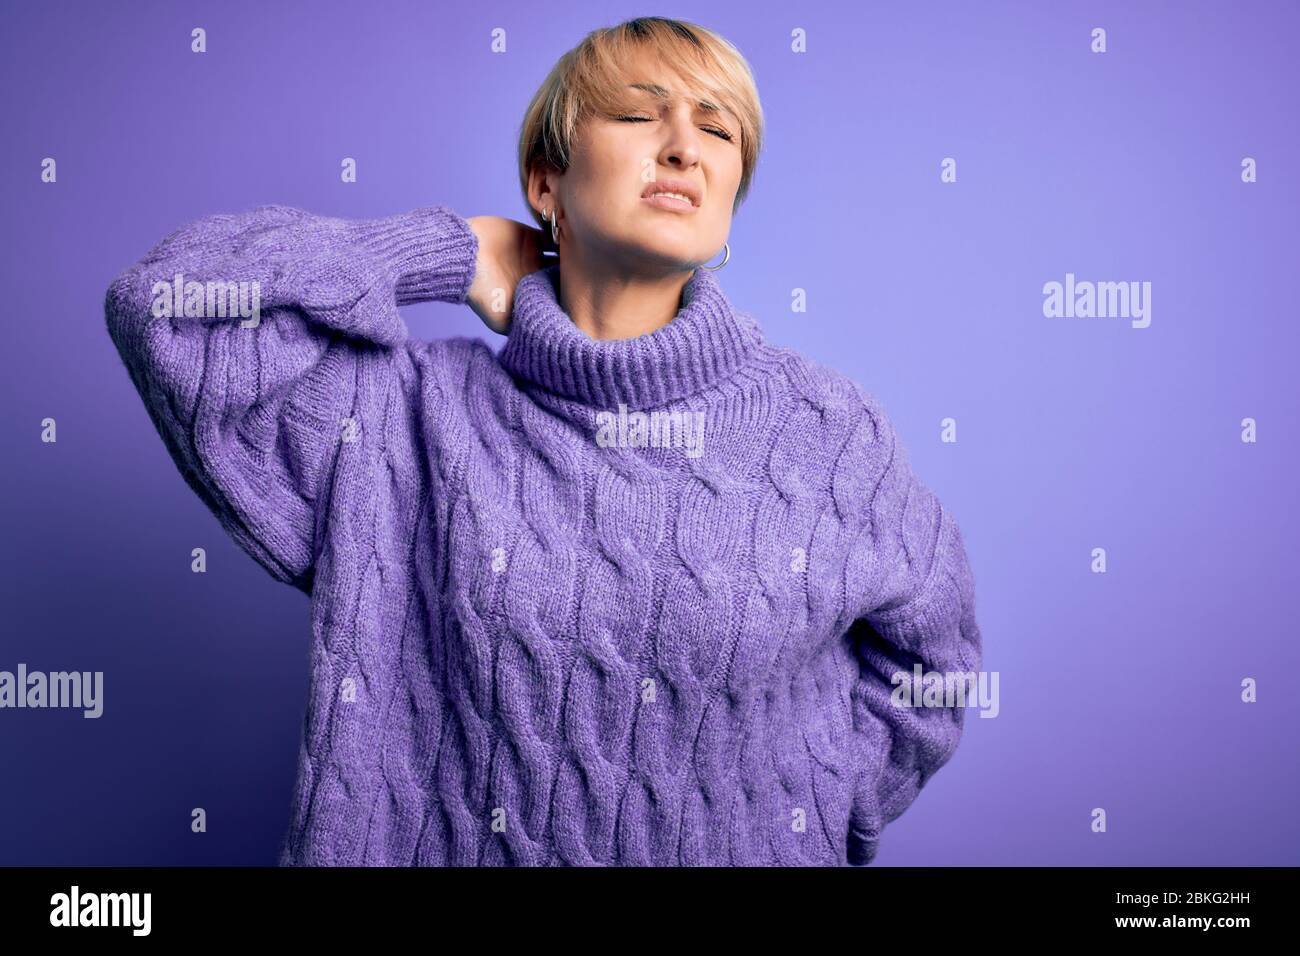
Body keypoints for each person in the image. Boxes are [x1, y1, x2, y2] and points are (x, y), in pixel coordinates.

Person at [104, 15, 982, 866]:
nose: (682, 145)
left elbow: (935, 668)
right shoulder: (403, 415)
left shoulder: (824, 433)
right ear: (545, 184)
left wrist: (824, 808)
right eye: (640, 114)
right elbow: (169, 302)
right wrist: (446, 250)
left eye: (718, 130)